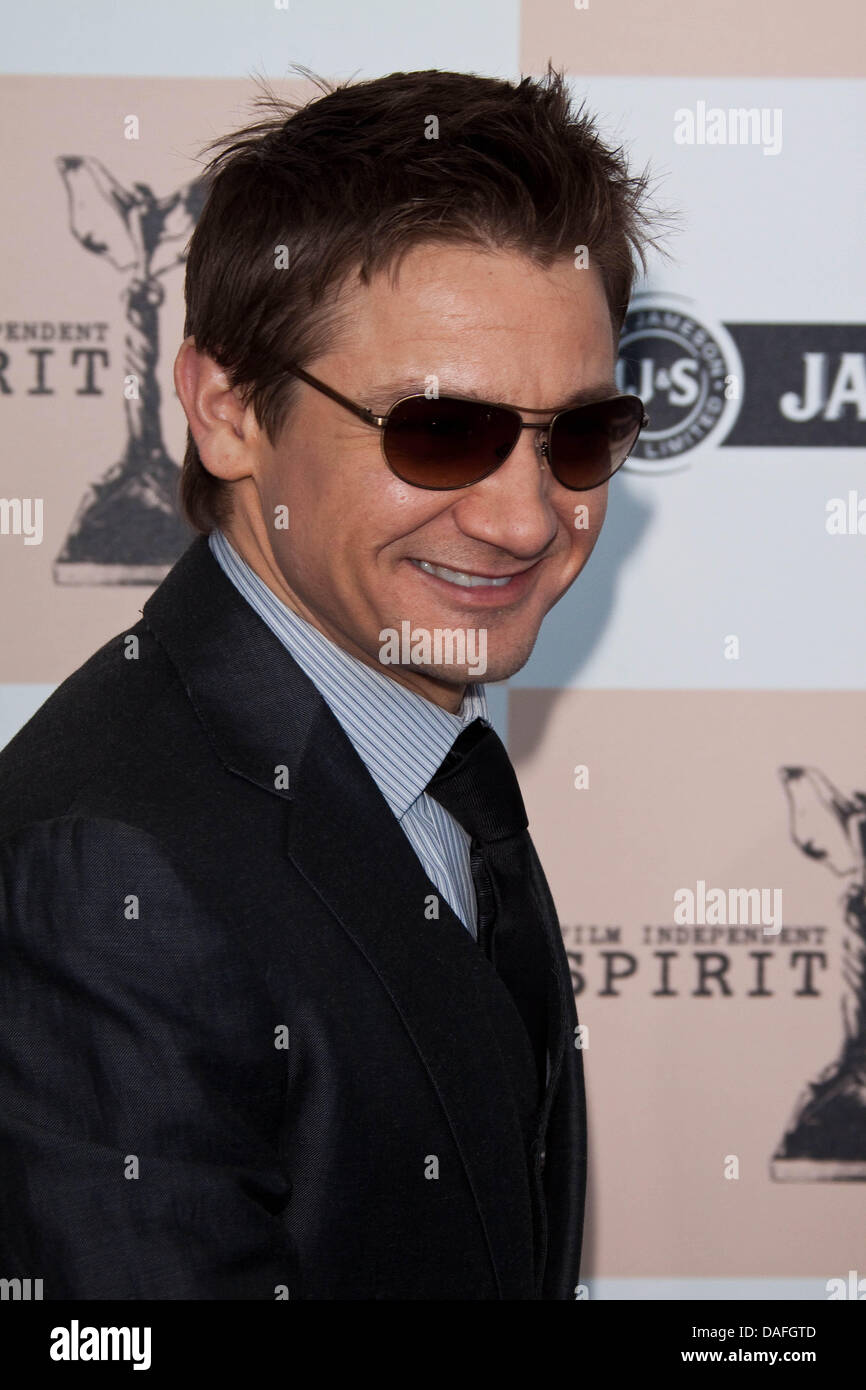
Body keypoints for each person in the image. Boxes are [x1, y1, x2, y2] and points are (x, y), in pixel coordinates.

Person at [0, 66, 660, 1299]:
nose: (525, 520)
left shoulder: (421, 755)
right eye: (438, 432)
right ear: (227, 411)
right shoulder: (104, 874)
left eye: (576, 438)